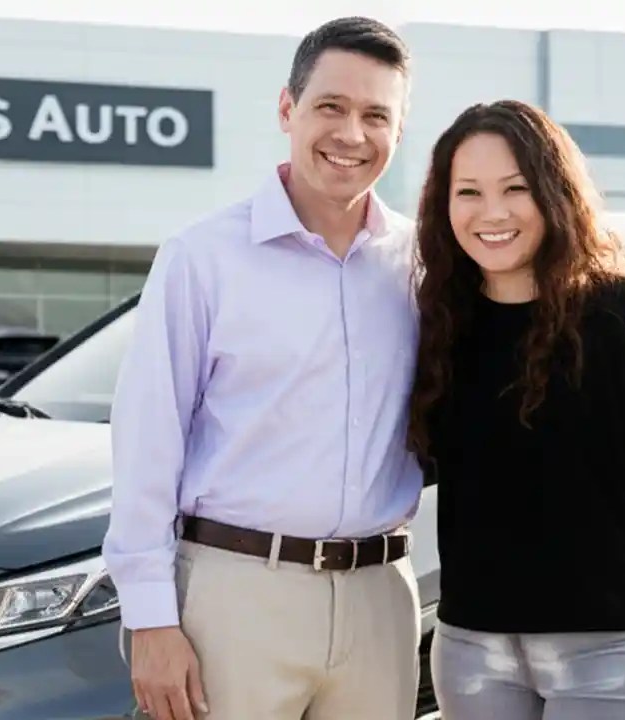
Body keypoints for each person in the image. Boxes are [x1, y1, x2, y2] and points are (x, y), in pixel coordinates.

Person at [103, 16, 423, 720]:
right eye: (331, 106)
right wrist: (150, 619)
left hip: (380, 602)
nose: (352, 134)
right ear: (287, 109)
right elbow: (147, 441)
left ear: (399, 130)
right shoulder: (202, 258)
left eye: (377, 115)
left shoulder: (422, 265)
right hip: (235, 596)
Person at [406, 99, 625, 720]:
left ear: (554, 193)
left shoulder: (623, 308)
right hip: (474, 648)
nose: (492, 213)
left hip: (615, 647)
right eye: (468, 192)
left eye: (515, 188)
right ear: (443, 205)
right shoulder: (438, 320)